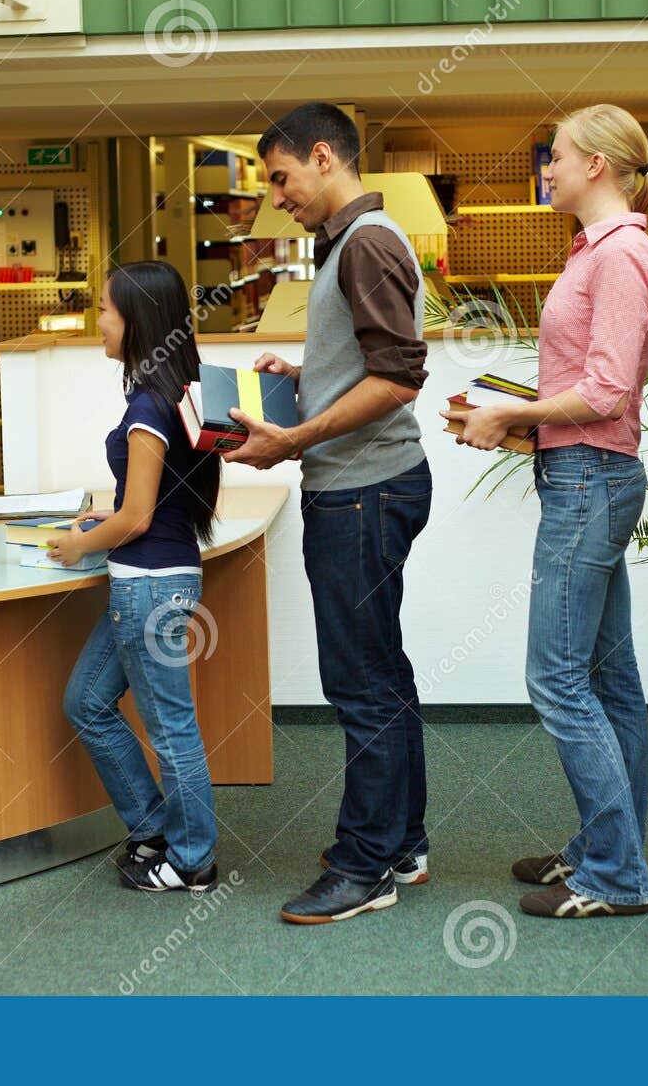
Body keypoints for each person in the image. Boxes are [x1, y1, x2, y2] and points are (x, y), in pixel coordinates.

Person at [445, 105, 648, 919]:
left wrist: (514, 414)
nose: (548, 168)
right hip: (589, 474)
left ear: (598, 166)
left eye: (559, 155)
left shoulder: (619, 257)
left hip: (588, 481)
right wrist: (517, 417)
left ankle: (614, 874)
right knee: (609, 679)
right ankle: (611, 848)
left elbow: (606, 391)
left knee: (556, 678)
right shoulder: (606, 250)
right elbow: (599, 385)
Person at [223, 102, 432, 925]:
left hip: (362, 490)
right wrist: (307, 376)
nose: (276, 197)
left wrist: (294, 438)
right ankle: (401, 841)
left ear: (322, 156)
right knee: (382, 670)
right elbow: (368, 363)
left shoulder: (367, 242)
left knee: (360, 680)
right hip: (367, 484)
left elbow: (399, 377)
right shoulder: (352, 242)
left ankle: (366, 864)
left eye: (280, 178)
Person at [54, 260, 224, 893]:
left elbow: (138, 518)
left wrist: (79, 543)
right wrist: (115, 515)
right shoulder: (173, 392)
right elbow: (149, 501)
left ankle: (192, 859)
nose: (97, 321)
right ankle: (155, 828)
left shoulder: (152, 402)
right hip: (153, 580)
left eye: (104, 309)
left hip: (148, 587)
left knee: (171, 728)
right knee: (86, 702)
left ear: (136, 319)